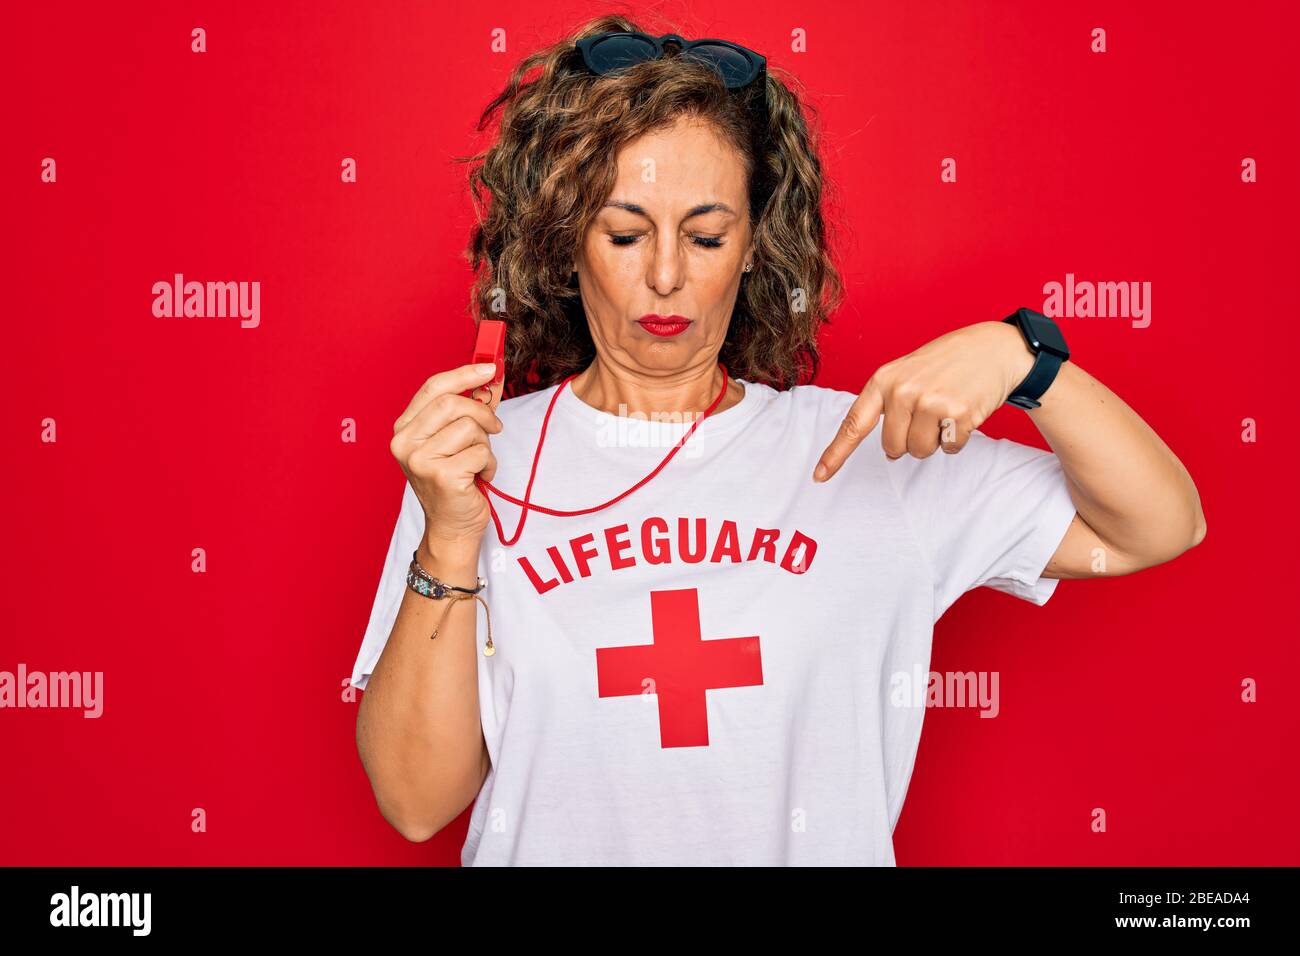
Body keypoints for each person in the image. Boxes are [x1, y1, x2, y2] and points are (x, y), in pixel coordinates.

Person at [349, 15, 1206, 866]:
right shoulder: (471, 461)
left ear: (756, 245)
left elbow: (1158, 526)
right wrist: (452, 534)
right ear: (565, 241)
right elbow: (417, 804)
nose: (666, 276)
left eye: (707, 235)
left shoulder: (868, 449)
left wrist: (1028, 360)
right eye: (623, 233)